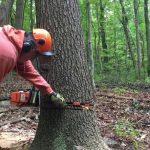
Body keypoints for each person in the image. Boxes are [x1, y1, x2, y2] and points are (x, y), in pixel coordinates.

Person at [0, 24, 65, 106]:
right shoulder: (7, 54)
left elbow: (31, 73)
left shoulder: (14, 42)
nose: (32, 59)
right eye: (35, 55)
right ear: (29, 46)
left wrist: (50, 92)